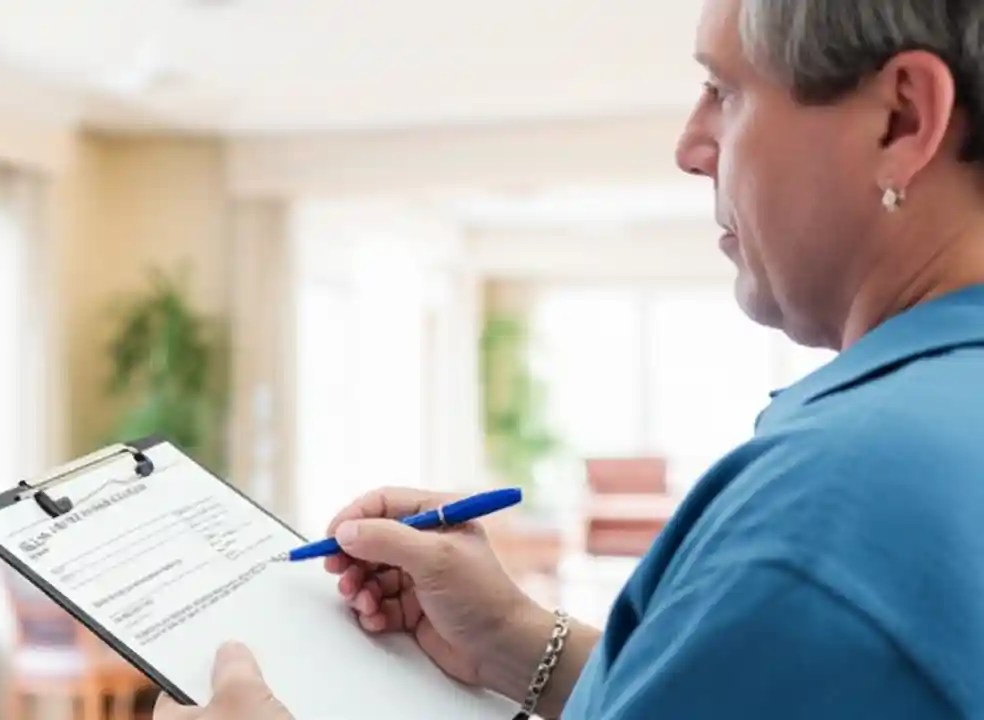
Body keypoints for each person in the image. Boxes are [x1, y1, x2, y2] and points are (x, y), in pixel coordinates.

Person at [156, 0, 984, 716]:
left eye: (725, 93)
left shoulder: (829, 507)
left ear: (901, 120)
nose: (692, 146)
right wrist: (520, 644)